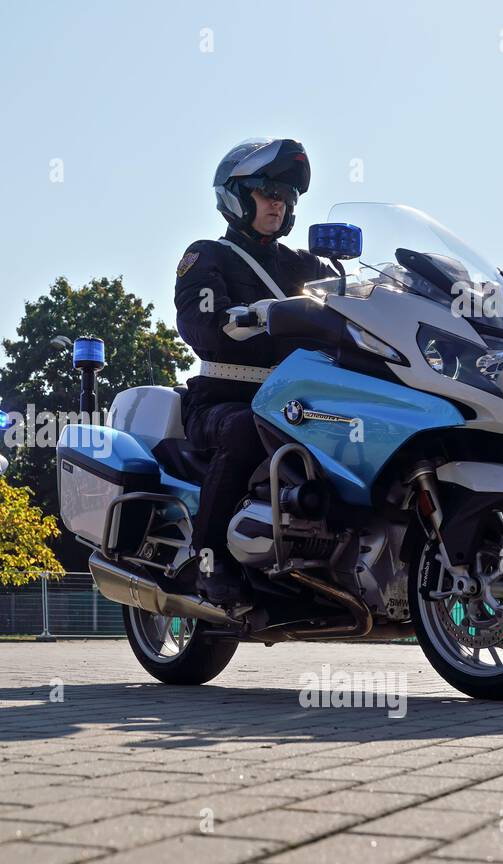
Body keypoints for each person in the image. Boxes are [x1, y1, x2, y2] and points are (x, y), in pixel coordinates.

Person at [174, 137, 334, 606]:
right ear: (237, 196)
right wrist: (247, 316)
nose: (278, 204)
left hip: (296, 402)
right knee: (247, 429)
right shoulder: (207, 256)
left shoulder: (304, 266)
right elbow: (199, 324)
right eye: (267, 192)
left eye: (285, 196)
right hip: (225, 399)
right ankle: (210, 558)